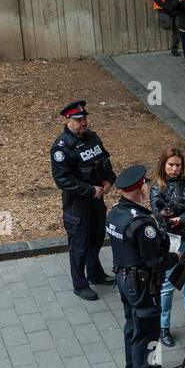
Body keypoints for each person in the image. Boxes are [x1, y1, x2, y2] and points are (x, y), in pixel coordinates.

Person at [106, 164, 180, 368]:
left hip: (125, 279)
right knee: (148, 333)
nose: (147, 186)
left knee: (132, 325)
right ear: (140, 189)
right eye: (145, 184)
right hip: (143, 284)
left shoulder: (116, 212)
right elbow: (155, 260)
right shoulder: (143, 225)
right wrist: (175, 257)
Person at [50, 99, 116, 300]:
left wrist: (108, 179)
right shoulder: (61, 148)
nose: (84, 122)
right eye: (79, 119)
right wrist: (90, 190)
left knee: (96, 238)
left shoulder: (92, 138)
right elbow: (63, 180)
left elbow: (104, 161)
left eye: (85, 118)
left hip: (96, 200)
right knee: (79, 244)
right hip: (77, 204)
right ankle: (80, 285)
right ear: (68, 120)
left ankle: (95, 273)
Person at [150, 148, 185, 348]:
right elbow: (160, 217)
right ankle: (163, 326)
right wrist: (176, 216)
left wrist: (182, 217)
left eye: (178, 165)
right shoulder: (158, 188)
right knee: (167, 285)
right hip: (172, 241)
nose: (175, 169)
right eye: (171, 165)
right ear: (163, 165)